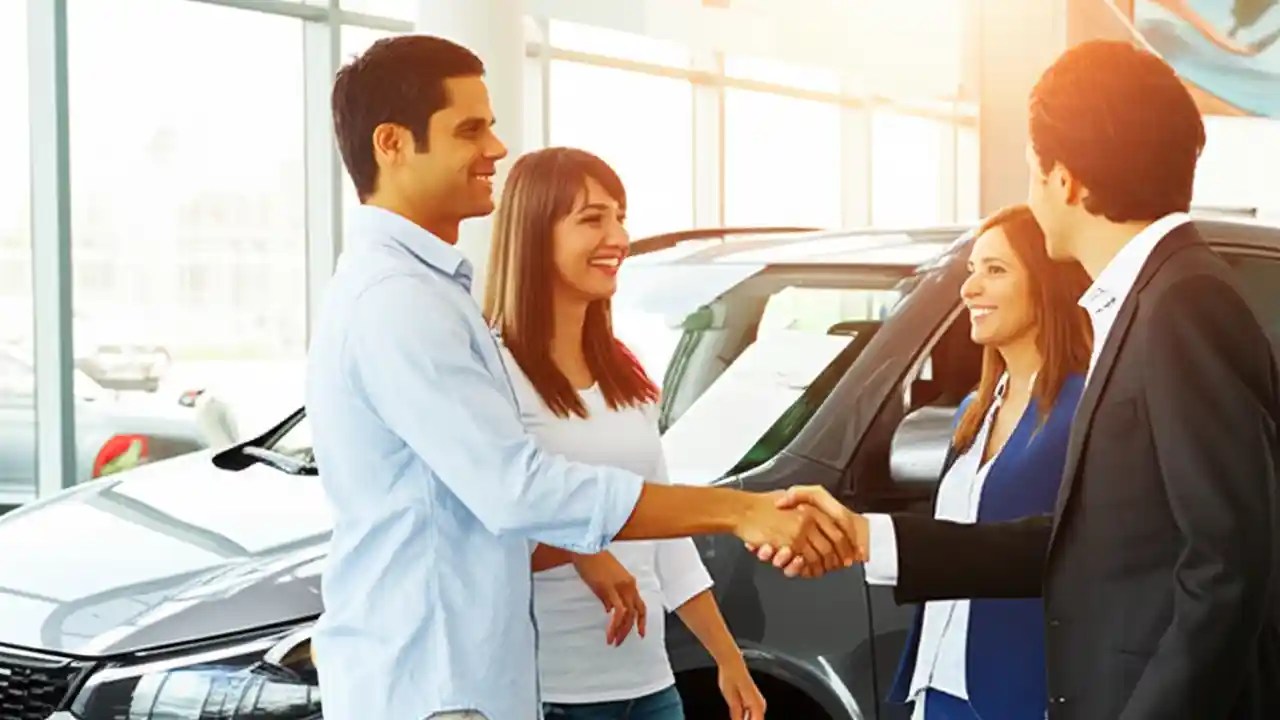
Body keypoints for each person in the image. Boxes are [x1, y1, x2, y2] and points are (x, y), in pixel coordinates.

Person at [306, 36, 858, 720]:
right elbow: (517, 489)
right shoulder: (397, 300)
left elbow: (487, 507)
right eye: (470, 129)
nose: (497, 149)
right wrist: (739, 510)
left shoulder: (428, 290)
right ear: (392, 144)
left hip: (479, 683)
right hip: (437, 689)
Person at [768, 40, 1280, 720]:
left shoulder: (1183, 304)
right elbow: (1082, 541)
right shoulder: (1148, 302)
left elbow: (1231, 565)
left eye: (1033, 174)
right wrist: (871, 539)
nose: (1033, 196)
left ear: (1066, 179)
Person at [483, 147, 767, 720]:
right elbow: (480, 532)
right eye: (592, 219)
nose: (618, 236)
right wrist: (581, 549)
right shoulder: (493, 372)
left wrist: (727, 658)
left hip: (648, 686)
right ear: (536, 234)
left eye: (620, 216)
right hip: (550, 693)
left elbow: (666, 537)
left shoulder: (621, 371)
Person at [884, 204, 1092, 720]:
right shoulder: (973, 411)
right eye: (971, 270)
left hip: (1020, 691)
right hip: (937, 684)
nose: (969, 289)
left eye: (994, 270)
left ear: (1045, 284)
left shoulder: (1085, 409)